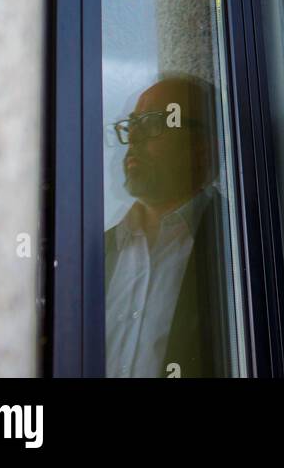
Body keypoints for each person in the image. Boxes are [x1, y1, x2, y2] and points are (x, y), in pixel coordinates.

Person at [104, 73, 225, 378]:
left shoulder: (238, 246)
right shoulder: (98, 251)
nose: (133, 137)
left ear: (202, 148)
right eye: (132, 125)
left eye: (152, 123)